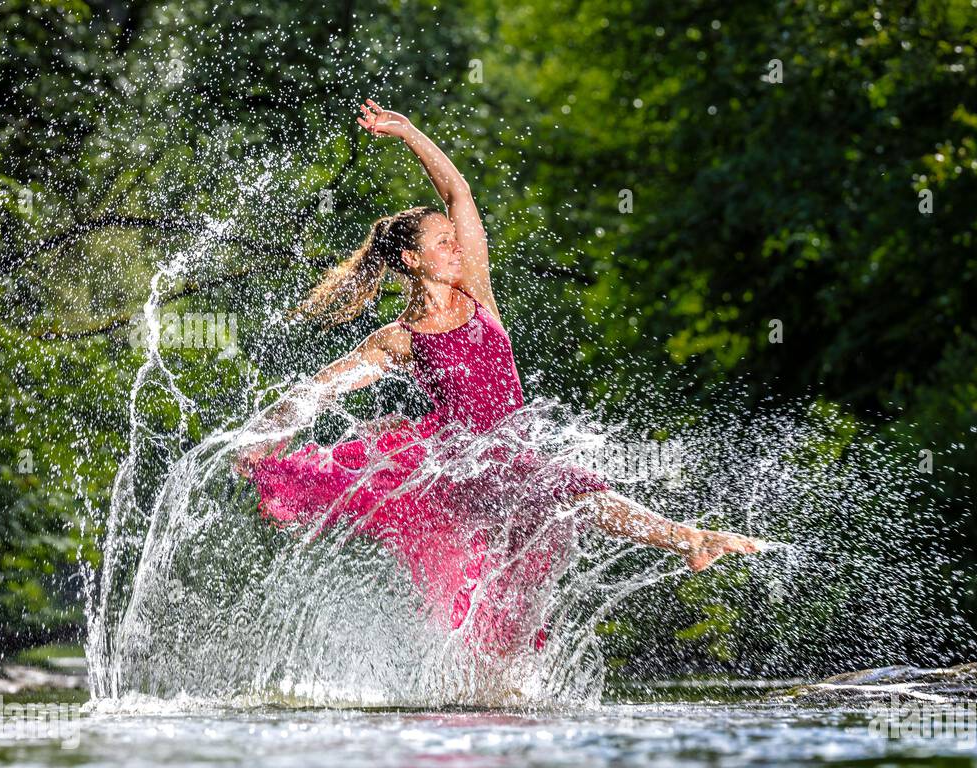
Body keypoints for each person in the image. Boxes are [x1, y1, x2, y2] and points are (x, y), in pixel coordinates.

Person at [236, 99, 766, 659]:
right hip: (470, 469)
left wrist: (411, 132)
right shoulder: (400, 339)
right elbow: (321, 387)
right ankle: (688, 539)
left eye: (453, 239)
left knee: (509, 626)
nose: (456, 246)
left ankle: (484, 716)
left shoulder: (477, 293)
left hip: (516, 462)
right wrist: (260, 436)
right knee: (574, 490)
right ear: (414, 261)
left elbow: (458, 194)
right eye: (442, 242)